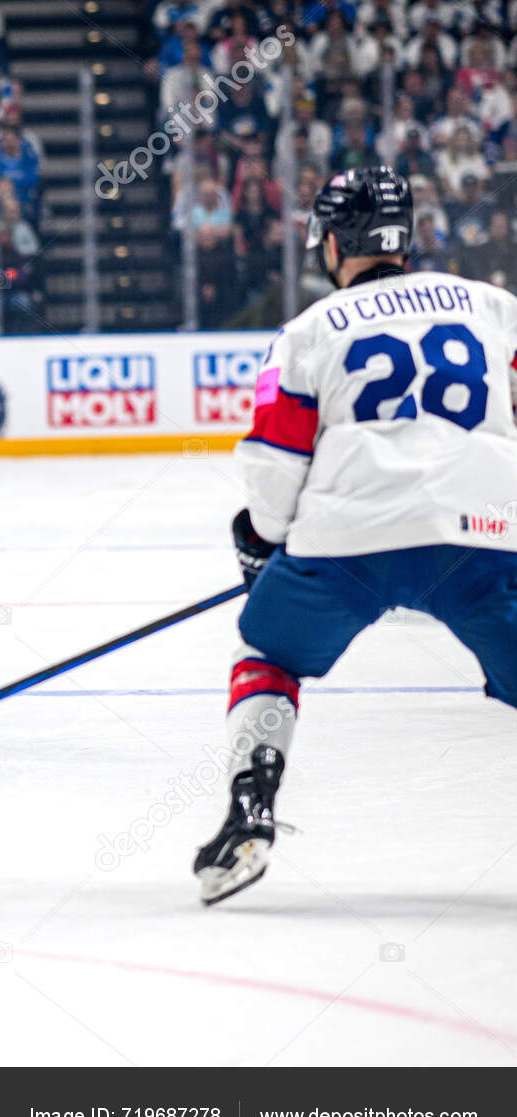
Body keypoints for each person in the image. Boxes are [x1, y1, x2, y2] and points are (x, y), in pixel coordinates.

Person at [195, 166, 517, 905]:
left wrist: (264, 539)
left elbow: (276, 462)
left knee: (268, 653)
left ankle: (251, 811)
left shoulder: (307, 331)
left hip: (349, 539)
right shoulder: (494, 306)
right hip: (482, 533)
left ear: (335, 242)